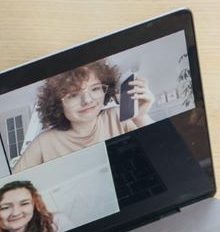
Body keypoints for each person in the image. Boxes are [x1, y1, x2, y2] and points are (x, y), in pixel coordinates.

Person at [11, 59, 153, 169]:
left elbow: (165, 156)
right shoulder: (43, 143)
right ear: (57, 105)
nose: (87, 100)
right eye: (73, 95)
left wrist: (140, 116)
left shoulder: (118, 117)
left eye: (95, 88)